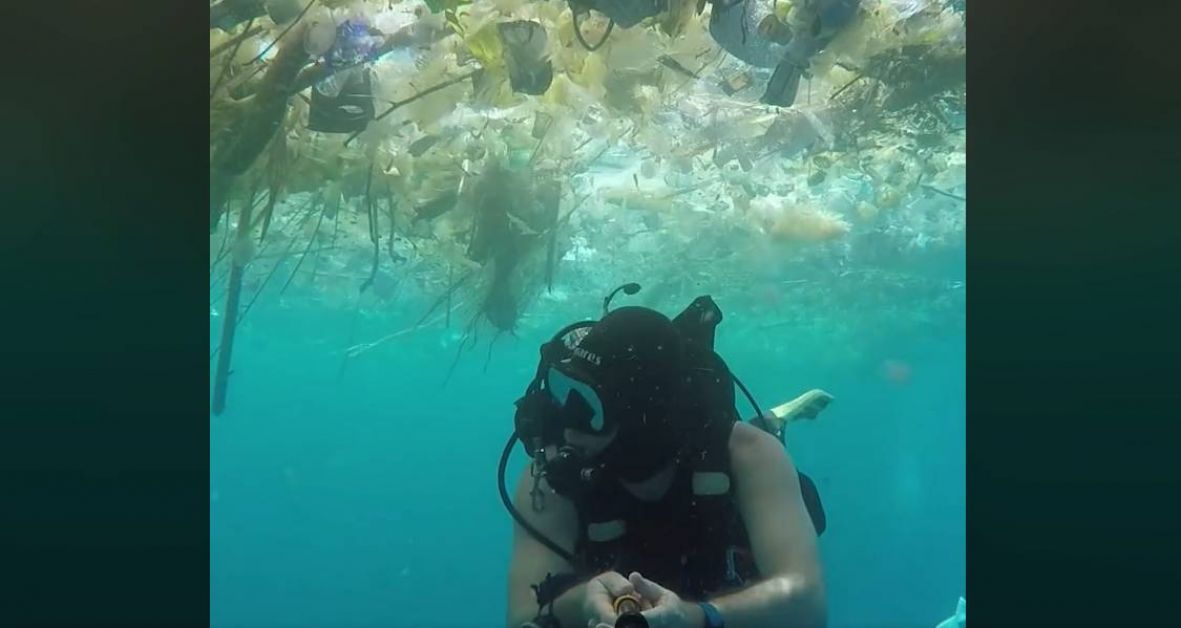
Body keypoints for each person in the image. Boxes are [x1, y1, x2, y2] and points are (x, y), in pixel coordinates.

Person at [502, 288, 829, 628]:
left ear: (638, 418)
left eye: (588, 407)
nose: (568, 428)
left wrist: (698, 618)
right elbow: (522, 619)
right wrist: (581, 602)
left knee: (769, 450)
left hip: (723, 598)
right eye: (562, 390)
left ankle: (772, 423)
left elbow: (807, 602)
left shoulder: (749, 454)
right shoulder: (550, 478)